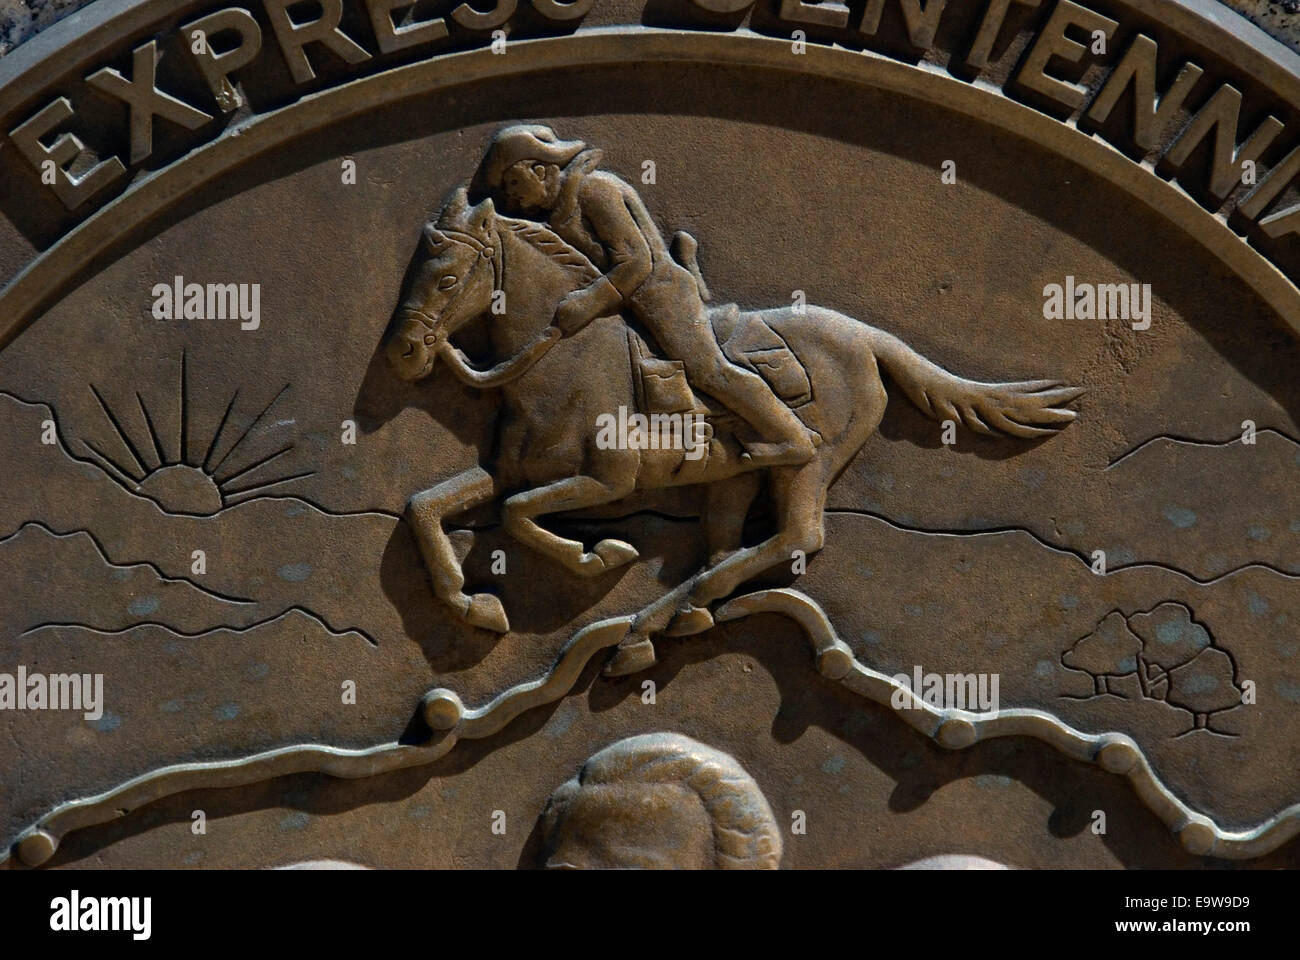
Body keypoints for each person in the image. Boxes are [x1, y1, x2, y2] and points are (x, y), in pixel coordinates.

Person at [473, 124, 817, 468]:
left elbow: (637, 261)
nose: (510, 197)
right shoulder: (559, 213)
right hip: (625, 303)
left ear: (541, 170)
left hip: (662, 296)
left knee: (707, 371)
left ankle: (791, 437)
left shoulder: (595, 190)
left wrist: (590, 300)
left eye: (513, 183)